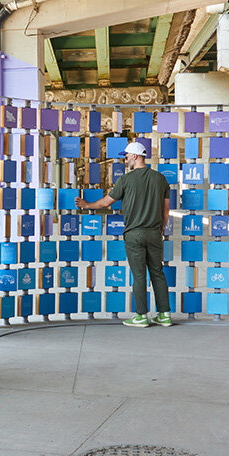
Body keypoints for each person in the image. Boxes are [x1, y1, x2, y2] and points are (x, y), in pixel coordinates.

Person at [75, 141, 172, 328]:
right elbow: (165, 211)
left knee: (139, 275)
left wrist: (87, 205)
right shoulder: (160, 179)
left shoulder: (126, 180)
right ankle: (164, 315)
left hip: (134, 234)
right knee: (158, 273)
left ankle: (141, 316)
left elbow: (105, 203)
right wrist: (159, 231)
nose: (125, 159)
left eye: (126, 156)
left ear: (135, 157)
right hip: (154, 233)